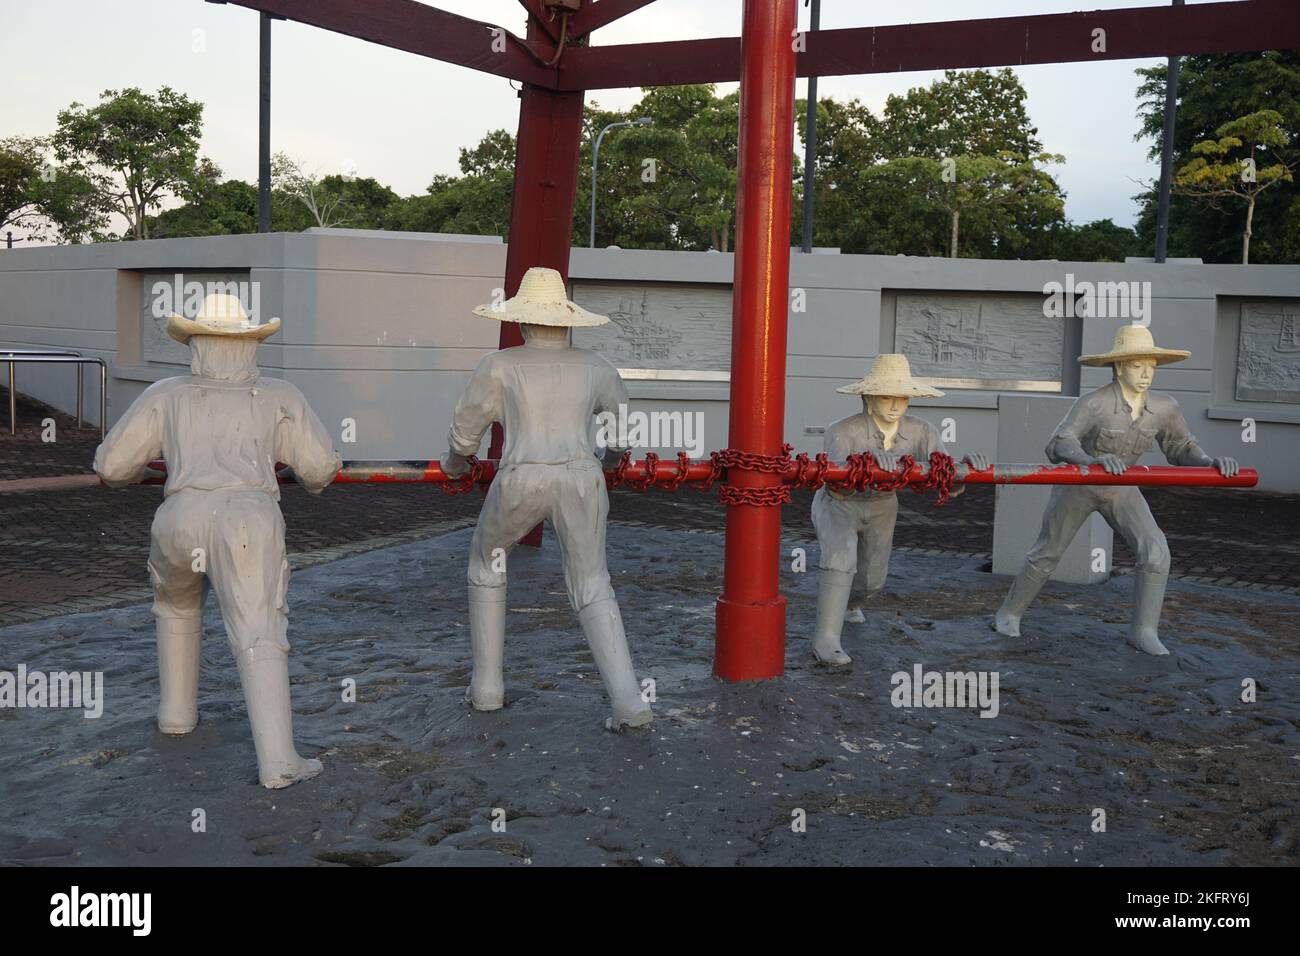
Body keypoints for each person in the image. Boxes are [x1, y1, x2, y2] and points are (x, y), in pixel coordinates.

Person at [94, 292, 340, 788]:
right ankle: (278, 760)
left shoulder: (165, 393)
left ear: (196, 345)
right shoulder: (280, 395)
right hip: (247, 520)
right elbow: (319, 469)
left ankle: (177, 713)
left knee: (176, 605)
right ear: (250, 345)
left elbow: (112, 467)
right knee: (258, 630)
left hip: (179, 517)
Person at [440, 266, 651, 730]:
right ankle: (629, 702)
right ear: (568, 319)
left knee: (486, 565)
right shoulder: (597, 367)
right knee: (593, 583)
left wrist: (454, 469)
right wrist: (609, 467)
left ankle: (488, 687)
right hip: (582, 477)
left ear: (521, 319)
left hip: (520, 477)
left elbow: (464, 438)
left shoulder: (499, 365)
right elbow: (620, 437)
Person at [994, 324, 1239, 655]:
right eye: (1138, 366)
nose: (1146, 374)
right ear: (1119, 366)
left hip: (1122, 489)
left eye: (1151, 366)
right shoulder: (1094, 404)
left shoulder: (1165, 407)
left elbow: (1181, 446)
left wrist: (1209, 461)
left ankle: (1144, 632)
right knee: (1048, 551)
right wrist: (1090, 460)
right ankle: (1009, 614)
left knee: (1155, 550)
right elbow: (1058, 444)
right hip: (1079, 485)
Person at [811, 354, 989, 665]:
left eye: (901, 397)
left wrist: (967, 470)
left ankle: (849, 604)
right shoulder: (842, 430)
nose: (894, 405)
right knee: (841, 559)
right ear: (868, 397)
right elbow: (834, 482)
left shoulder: (923, 431)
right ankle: (826, 638)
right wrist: (869, 464)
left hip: (883, 506)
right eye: (885, 397)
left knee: (872, 580)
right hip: (839, 505)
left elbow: (941, 475)